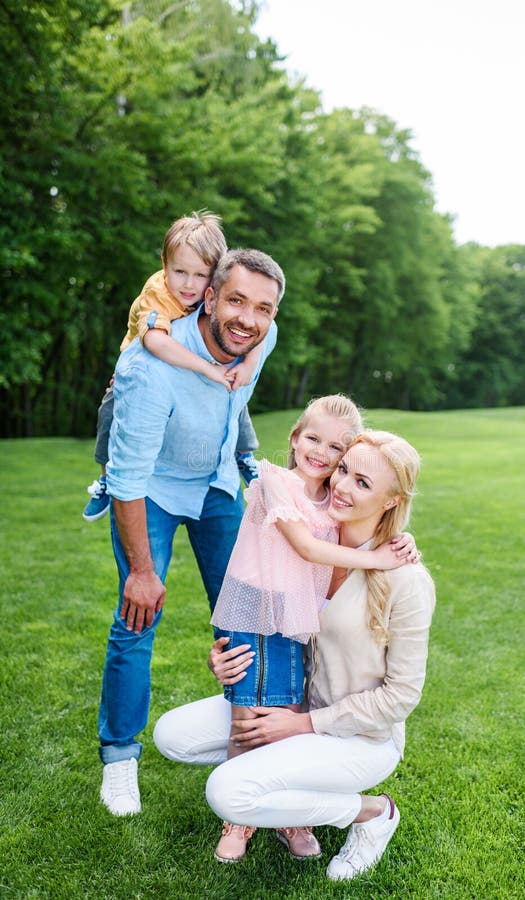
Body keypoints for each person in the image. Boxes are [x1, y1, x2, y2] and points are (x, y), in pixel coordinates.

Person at [153, 430, 436, 882]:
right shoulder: (308, 547)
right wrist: (224, 661)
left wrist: (304, 725)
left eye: (363, 483)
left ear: (390, 501)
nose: (341, 486)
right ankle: (287, 781)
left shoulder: (406, 579)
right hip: (291, 701)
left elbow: (401, 697)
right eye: (343, 470)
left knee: (228, 791)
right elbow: (267, 628)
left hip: (359, 738)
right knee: (173, 736)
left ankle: (372, 813)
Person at [98, 247, 284, 817]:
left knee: (249, 614)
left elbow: (240, 382)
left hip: (217, 484)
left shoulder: (259, 338)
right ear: (208, 296)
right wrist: (144, 572)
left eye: (263, 309)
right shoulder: (148, 368)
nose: (248, 320)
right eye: (235, 301)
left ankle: (253, 746)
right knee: (137, 618)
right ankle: (119, 759)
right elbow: (126, 477)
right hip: (150, 488)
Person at [208, 396, 417, 862]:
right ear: (294, 439)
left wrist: (398, 540)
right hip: (254, 616)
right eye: (312, 438)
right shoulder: (274, 481)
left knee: (291, 712)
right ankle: (239, 819)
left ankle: (290, 815)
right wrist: (377, 558)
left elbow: (364, 524)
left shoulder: (330, 503)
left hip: (291, 623)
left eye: (336, 450)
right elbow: (305, 548)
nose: (321, 453)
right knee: (246, 721)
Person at [83, 212, 262, 522]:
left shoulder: (223, 290)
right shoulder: (159, 293)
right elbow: (155, 343)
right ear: (165, 266)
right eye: (179, 271)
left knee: (233, 390)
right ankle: (106, 478)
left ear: (215, 275)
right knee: (111, 411)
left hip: (198, 357)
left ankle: (243, 456)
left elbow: (259, 323)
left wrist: (248, 363)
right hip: (148, 364)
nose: (188, 284)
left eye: (199, 274)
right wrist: (208, 368)